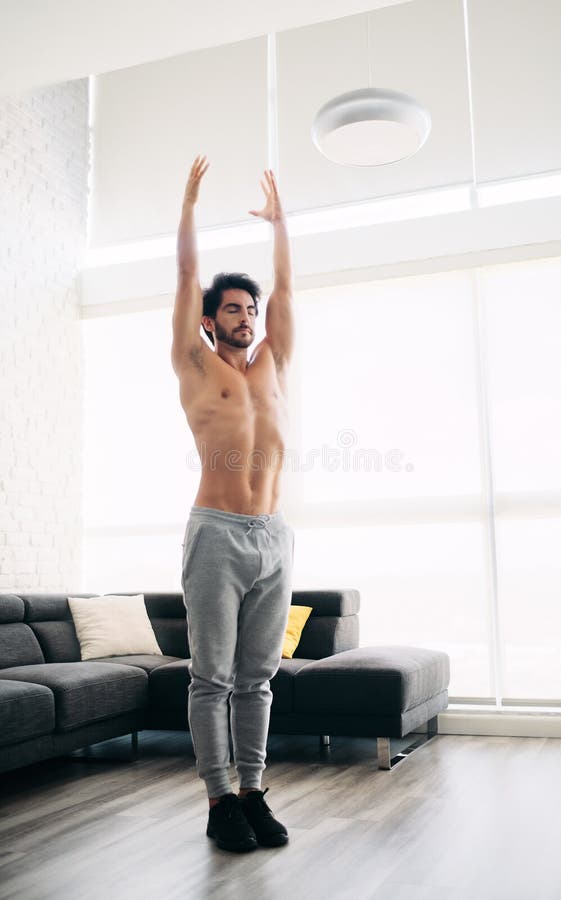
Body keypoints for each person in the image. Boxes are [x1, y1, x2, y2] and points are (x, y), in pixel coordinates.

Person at [171, 155, 295, 853]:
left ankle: (252, 790)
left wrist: (280, 226)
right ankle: (219, 799)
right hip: (216, 534)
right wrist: (188, 209)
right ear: (212, 323)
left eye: (250, 309)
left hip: (273, 536)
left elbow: (287, 290)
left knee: (258, 678)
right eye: (233, 310)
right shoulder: (196, 366)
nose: (246, 317)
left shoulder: (274, 365)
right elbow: (187, 279)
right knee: (212, 676)